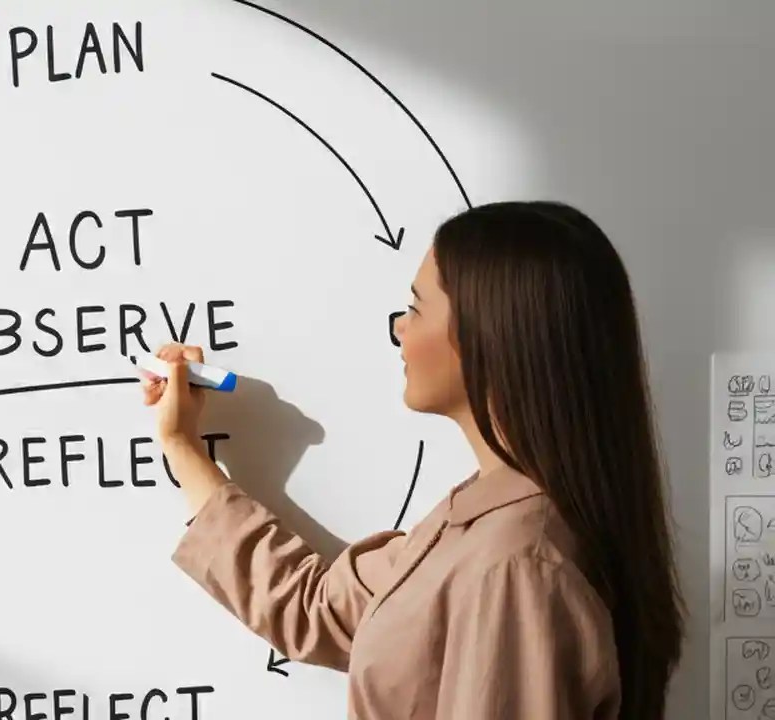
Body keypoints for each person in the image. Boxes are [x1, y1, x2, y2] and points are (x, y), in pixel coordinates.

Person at [140, 201, 685, 719]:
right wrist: (184, 446)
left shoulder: (515, 566)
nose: (399, 327)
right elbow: (316, 610)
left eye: (415, 308)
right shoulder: (483, 528)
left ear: (488, 338)